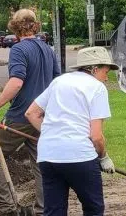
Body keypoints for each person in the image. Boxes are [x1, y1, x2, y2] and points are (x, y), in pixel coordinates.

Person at [0, 9, 61, 215]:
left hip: (21, 116)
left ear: (15, 28)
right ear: (35, 26)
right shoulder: (47, 49)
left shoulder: (19, 50)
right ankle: (44, 209)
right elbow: (56, 83)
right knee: (39, 162)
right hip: (41, 117)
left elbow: (16, 82)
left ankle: (6, 207)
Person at [26, 46, 117, 216]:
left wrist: (50, 133)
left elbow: (31, 113)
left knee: (54, 211)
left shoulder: (59, 81)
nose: (106, 78)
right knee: (93, 209)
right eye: (106, 72)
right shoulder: (97, 88)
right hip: (79, 156)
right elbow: (96, 136)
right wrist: (104, 158)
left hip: (48, 156)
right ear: (94, 69)